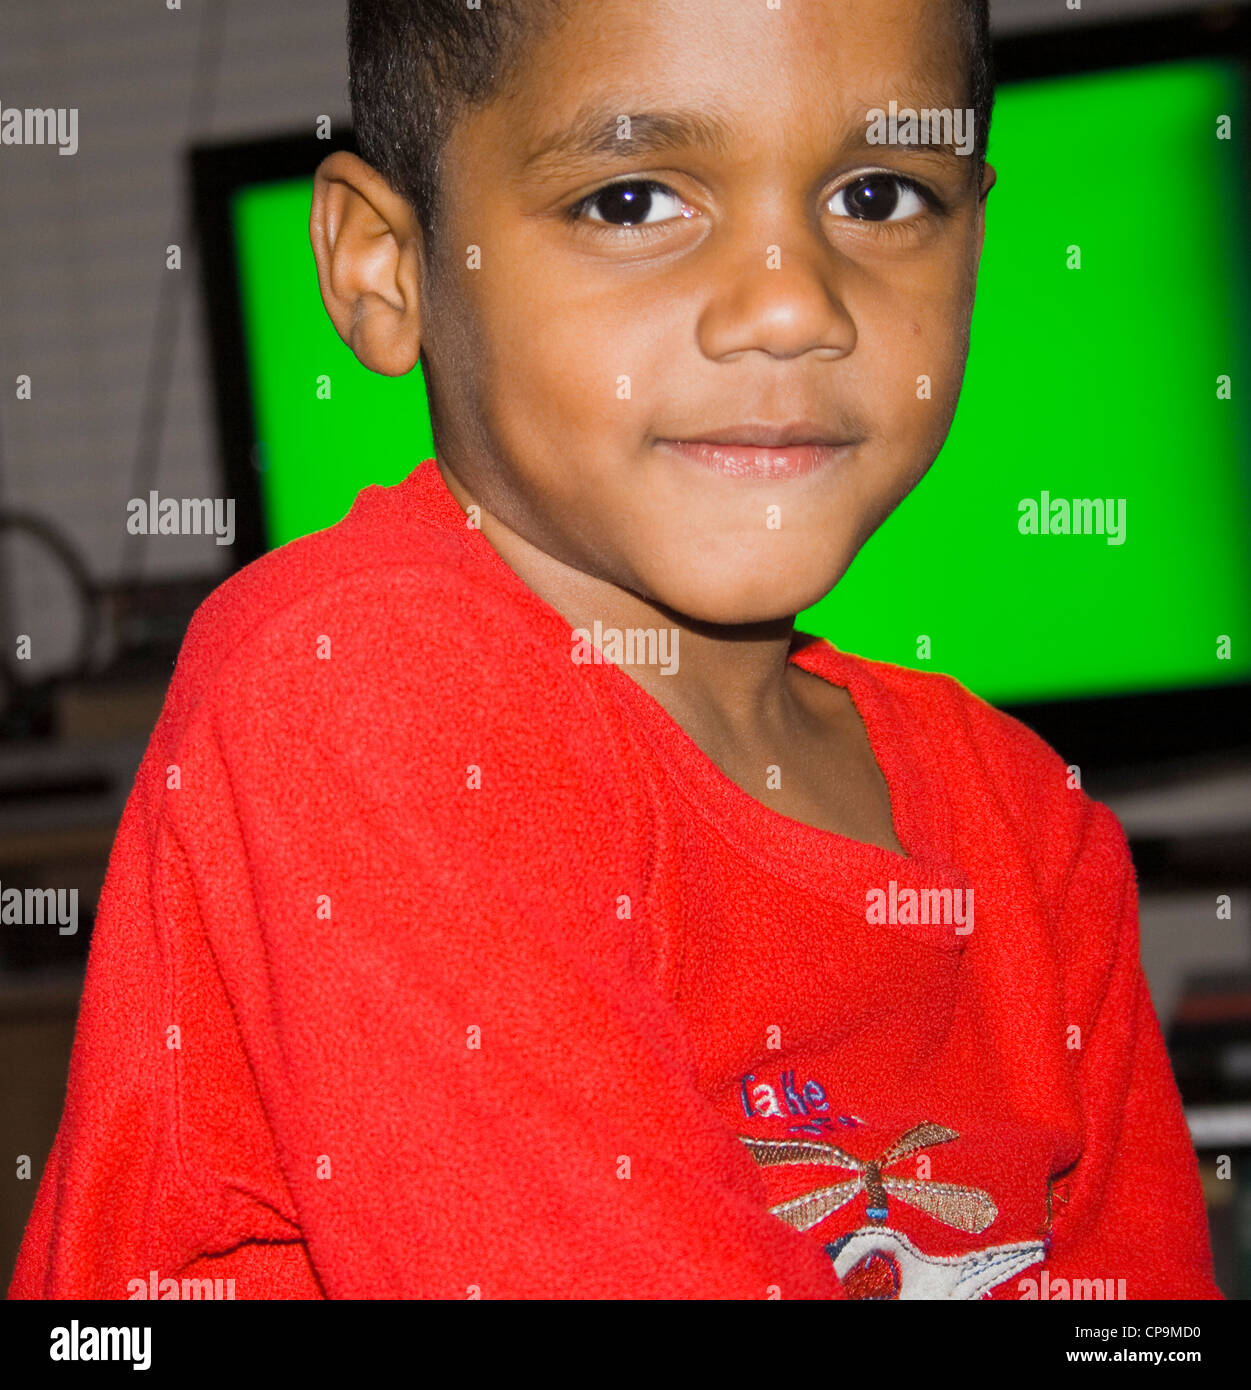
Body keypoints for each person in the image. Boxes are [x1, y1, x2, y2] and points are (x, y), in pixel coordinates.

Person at [10, 0, 1221, 1299]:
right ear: (384, 268)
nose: (791, 305)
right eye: (634, 201)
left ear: (976, 233)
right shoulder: (356, 679)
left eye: (880, 193)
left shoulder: (1034, 825)